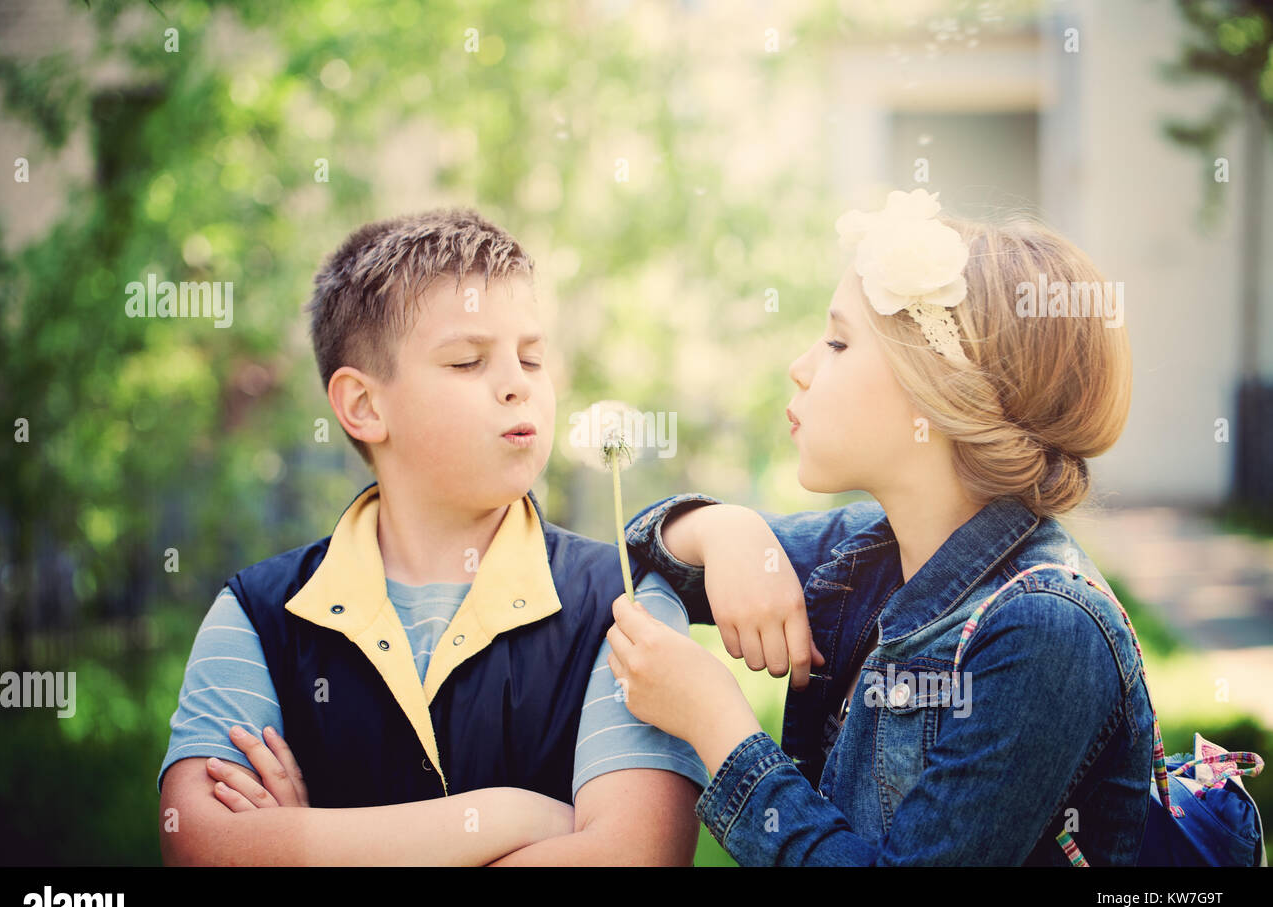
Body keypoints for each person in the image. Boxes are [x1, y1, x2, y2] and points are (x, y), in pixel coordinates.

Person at [607, 189, 1156, 865]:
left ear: (940, 391)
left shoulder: (1047, 629)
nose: (800, 367)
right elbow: (625, 557)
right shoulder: (868, 548)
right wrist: (722, 530)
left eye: (838, 341)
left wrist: (716, 726)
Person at [157, 208, 708, 866]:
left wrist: (306, 850)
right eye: (468, 362)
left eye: (532, 358)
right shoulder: (256, 614)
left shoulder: (628, 606)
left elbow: (631, 858)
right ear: (363, 405)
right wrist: (511, 818)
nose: (517, 386)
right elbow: (203, 849)